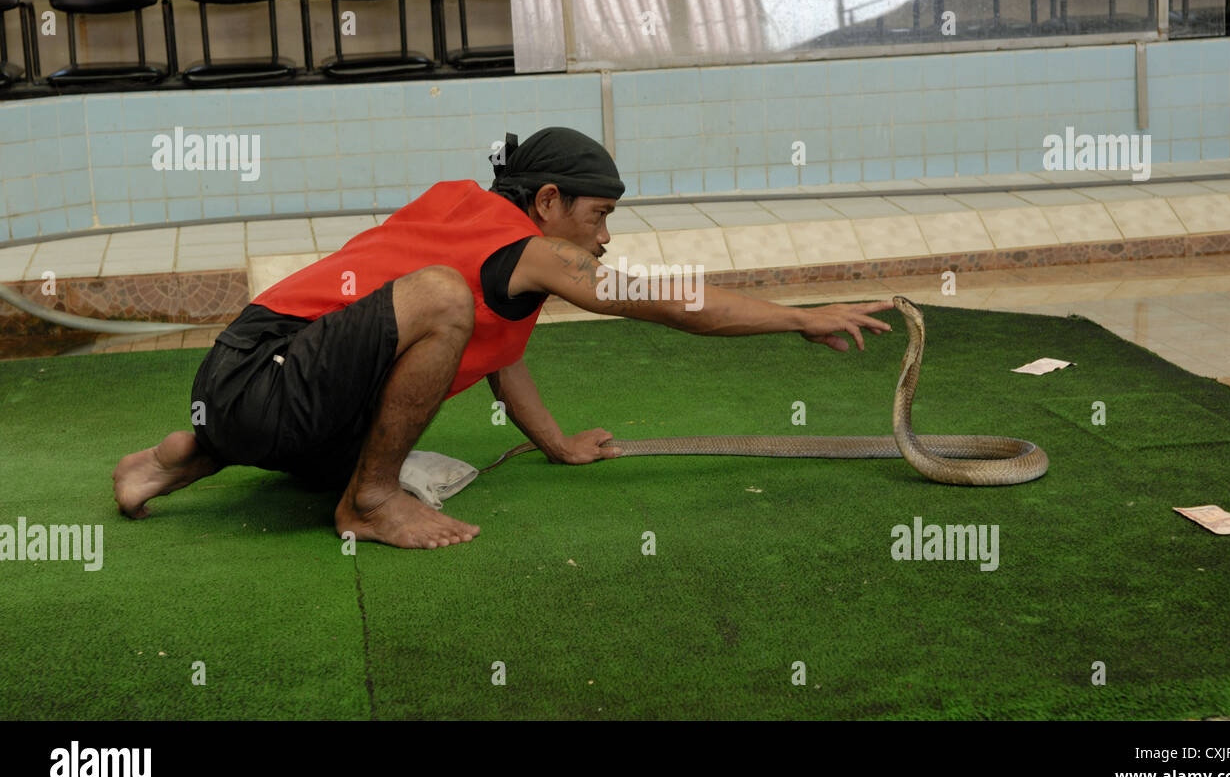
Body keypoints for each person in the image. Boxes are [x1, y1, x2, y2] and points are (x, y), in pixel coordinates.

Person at [112, 127, 893, 550]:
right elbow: (668, 303)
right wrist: (799, 316)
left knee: (448, 311)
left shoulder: (474, 223)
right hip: (268, 370)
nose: (606, 237)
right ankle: (370, 503)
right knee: (440, 299)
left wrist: (554, 443)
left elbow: (499, 352)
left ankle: (173, 459)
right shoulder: (518, 249)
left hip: (251, 391)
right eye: (598, 217)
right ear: (548, 200)